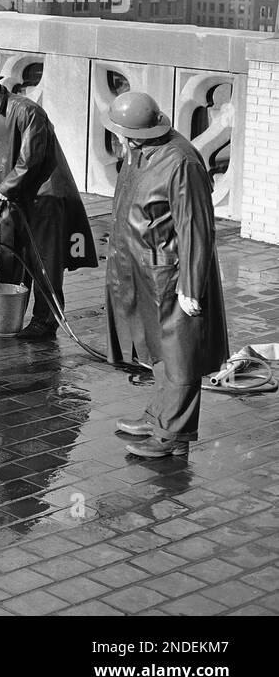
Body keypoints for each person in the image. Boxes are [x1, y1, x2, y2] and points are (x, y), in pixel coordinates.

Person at [103, 92, 229, 459]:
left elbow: (196, 226)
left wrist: (191, 284)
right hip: (144, 267)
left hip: (171, 271)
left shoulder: (181, 161)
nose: (121, 140)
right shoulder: (141, 151)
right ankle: (160, 416)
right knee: (159, 348)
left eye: (125, 134)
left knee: (179, 352)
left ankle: (174, 432)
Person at [0, 62, 96, 339]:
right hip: (18, 196)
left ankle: (46, 322)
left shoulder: (26, 110)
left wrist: (4, 189)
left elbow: (30, 160)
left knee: (44, 262)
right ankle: (10, 316)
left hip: (45, 198)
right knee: (10, 255)